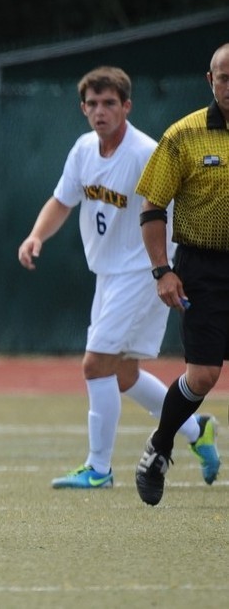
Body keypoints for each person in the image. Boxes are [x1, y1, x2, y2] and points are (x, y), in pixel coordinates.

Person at [18, 66, 220, 491]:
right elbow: (61, 200)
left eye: (109, 102)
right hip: (108, 275)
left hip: (143, 272)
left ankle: (99, 468)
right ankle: (194, 430)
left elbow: (163, 208)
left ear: (127, 106)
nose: (100, 111)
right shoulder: (83, 150)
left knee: (95, 364)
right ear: (83, 109)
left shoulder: (145, 151)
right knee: (124, 374)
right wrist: (37, 235)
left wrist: (164, 269)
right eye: (92, 104)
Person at [134, 44, 229, 506]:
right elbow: (152, 207)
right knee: (205, 374)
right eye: (224, 77)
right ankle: (161, 446)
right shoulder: (183, 135)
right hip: (203, 267)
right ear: (209, 81)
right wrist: (162, 271)